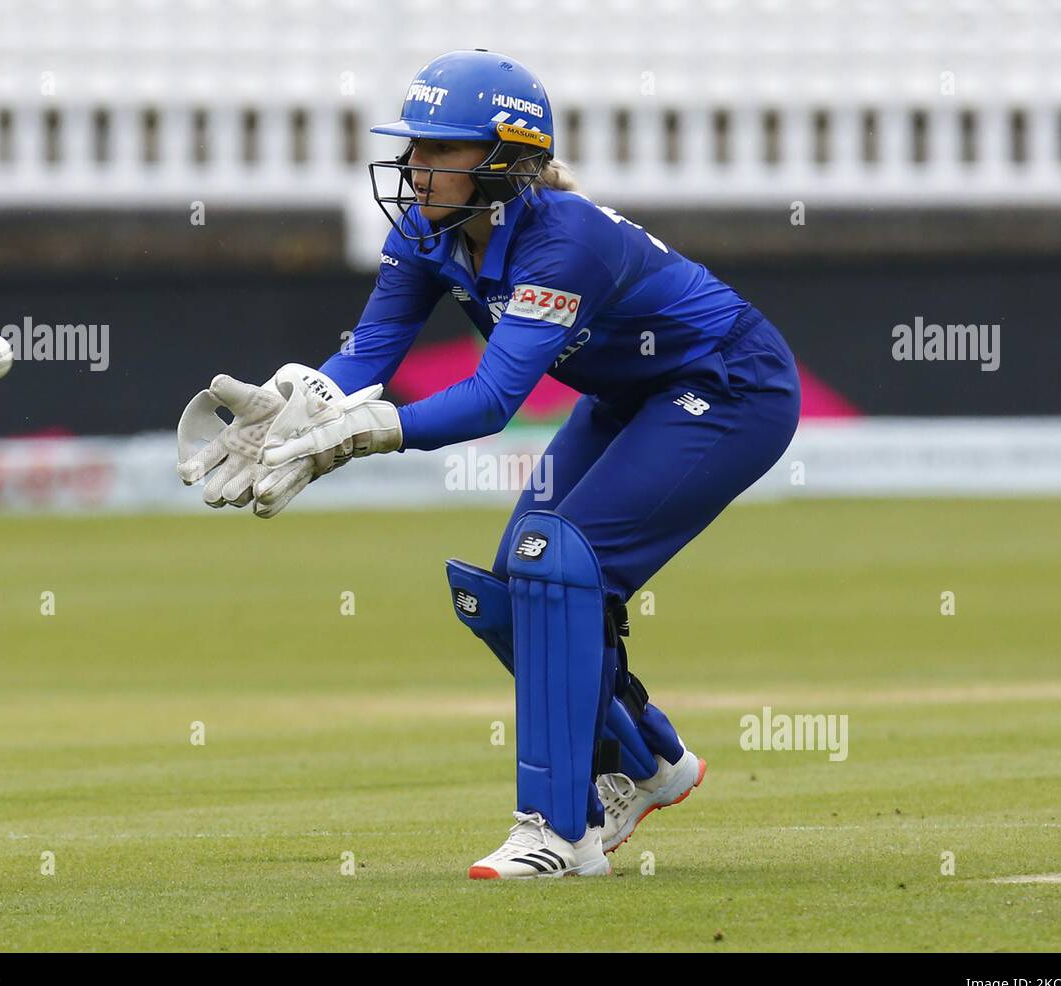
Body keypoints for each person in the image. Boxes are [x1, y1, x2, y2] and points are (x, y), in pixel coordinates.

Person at [175, 49, 801, 879]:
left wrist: (366, 433)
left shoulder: (564, 240)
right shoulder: (425, 234)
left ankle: (558, 830)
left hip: (729, 387)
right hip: (626, 398)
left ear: (505, 159)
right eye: (415, 147)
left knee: (556, 564)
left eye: (440, 150)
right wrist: (301, 401)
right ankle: (648, 763)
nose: (414, 166)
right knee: (515, 584)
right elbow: (368, 353)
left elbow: (493, 398)